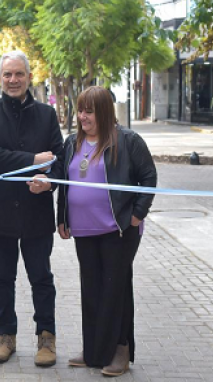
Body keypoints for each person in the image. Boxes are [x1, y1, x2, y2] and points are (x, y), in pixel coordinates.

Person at [32, 86, 157, 377]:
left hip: (118, 230)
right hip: (84, 231)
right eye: (80, 110)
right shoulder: (71, 142)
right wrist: (58, 208)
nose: (82, 116)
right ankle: (94, 351)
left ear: (103, 112)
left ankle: (120, 351)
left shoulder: (128, 141)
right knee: (92, 291)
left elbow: (148, 176)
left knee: (114, 289)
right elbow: (62, 178)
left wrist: (137, 215)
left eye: (89, 111)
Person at [0, 50, 64, 367]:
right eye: (7, 74)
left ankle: (46, 338)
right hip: (0, 212)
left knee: (42, 278)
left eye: (19, 74)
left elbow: (58, 159)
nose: (13, 80)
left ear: (29, 77)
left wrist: (48, 181)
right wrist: (33, 161)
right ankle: (6, 337)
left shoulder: (46, 115)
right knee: (3, 279)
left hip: (37, 210)